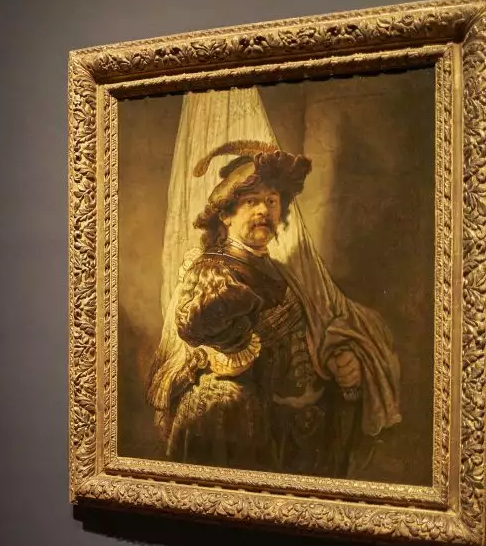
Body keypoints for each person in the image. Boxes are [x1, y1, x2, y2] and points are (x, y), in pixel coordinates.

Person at [146, 140, 399, 477]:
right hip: (245, 425)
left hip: (294, 426)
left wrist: (340, 364)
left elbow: (306, 340)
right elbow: (211, 352)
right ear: (226, 214)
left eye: (271, 201)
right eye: (251, 202)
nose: (263, 211)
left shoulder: (278, 270)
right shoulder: (213, 272)